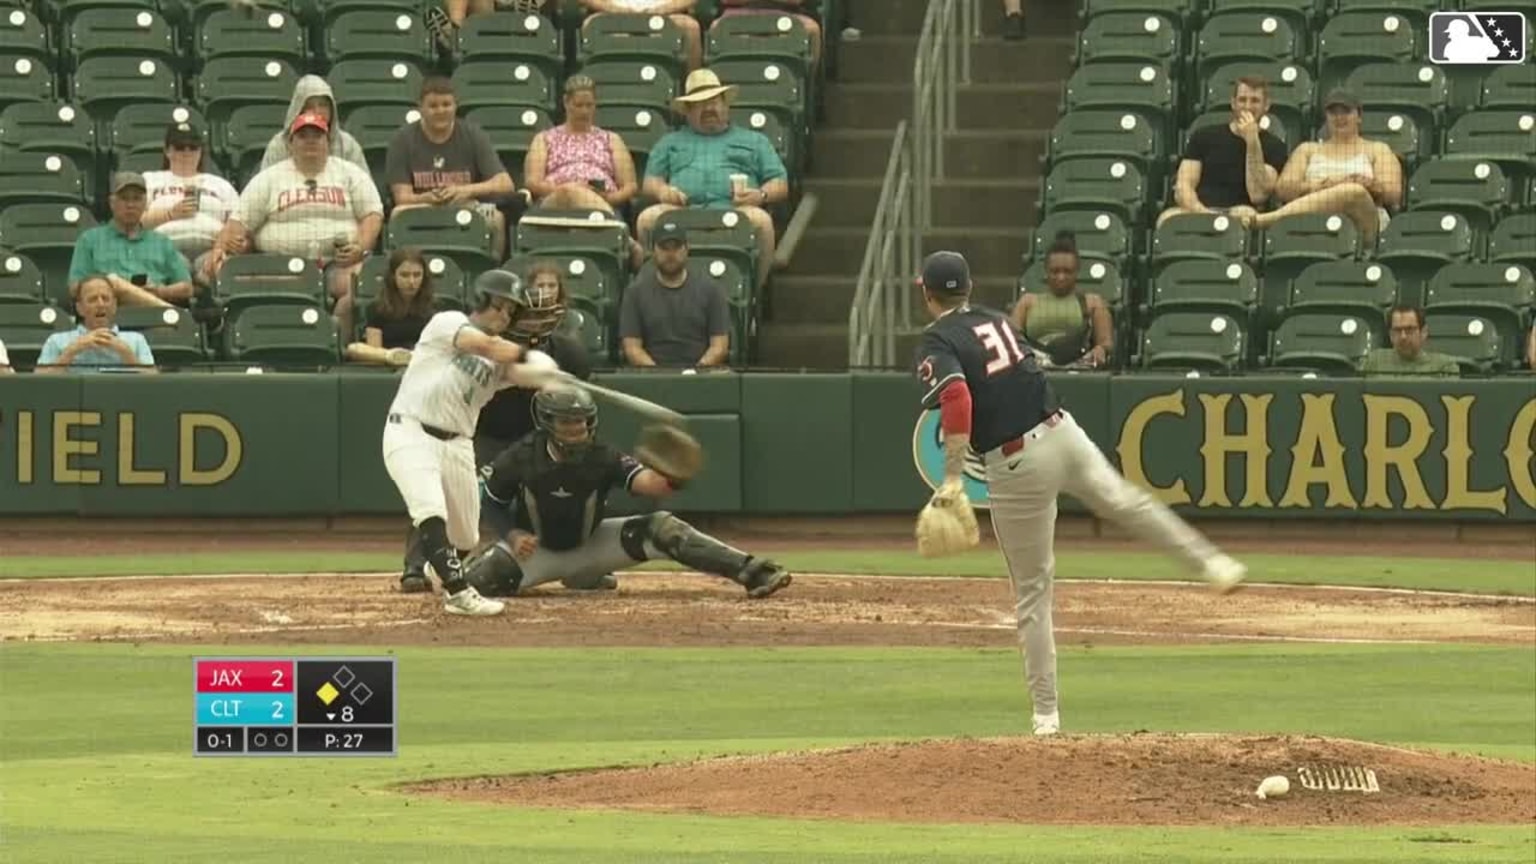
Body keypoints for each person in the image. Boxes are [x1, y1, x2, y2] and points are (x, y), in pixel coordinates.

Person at [911, 250, 1245, 736]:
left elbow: (957, 396)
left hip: (1017, 463)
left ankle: (1046, 719)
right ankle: (1211, 563)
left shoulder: (937, 337)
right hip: (1064, 432)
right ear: (968, 286)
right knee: (1129, 502)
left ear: (927, 293)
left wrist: (954, 477)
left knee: (1032, 594)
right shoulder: (995, 319)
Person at [463, 386, 792, 599]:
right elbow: (491, 502)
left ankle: (752, 571)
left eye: (582, 422)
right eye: (568, 423)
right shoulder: (521, 457)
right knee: (477, 581)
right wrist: (512, 533)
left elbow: (647, 483)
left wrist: (674, 477)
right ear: (547, 423)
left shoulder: (601, 455)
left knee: (663, 527)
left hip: (592, 544)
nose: (578, 430)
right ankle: (583, 576)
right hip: (537, 550)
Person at [397, 261, 592, 594]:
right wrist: (524, 356)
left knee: (561, 486)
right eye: (507, 309)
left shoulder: (562, 348)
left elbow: (570, 379)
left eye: (515, 311)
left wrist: (551, 376)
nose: (514, 317)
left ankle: (576, 566)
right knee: (436, 497)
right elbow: (492, 352)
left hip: (530, 438)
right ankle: (417, 566)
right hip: (482, 434)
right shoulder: (472, 334)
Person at [205, 111, 384, 341]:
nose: (310, 140)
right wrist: (221, 247)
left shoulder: (350, 174)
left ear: (328, 142)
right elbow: (239, 221)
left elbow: (372, 215)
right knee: (229, 272)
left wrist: (359, 247)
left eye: (317, 135)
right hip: (279, 267)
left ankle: (339, 345)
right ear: (290, 143)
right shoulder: (269, 178)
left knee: (365, 282)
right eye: (302, 135)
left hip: (336, 263)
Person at [639, 68, 789, 289]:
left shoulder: (754, 140)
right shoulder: (670, 142)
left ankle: (753, 293)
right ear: (688, 111)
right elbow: (650, 181)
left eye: (715, 101)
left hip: (736, 211)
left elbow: (780, 182)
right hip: (683, 211)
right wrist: (663, 192)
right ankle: (661, 288)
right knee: (646, 220)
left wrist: (760, 195)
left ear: (725, 105)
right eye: (700, 104)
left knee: (763, 223)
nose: (709, 108)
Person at [385, 77, 517, 259]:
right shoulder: (402, 139)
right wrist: (429, 197)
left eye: (446, 104)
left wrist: (465, 191)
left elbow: (505, 183)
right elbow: (402, 198)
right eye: (433, 106)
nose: (440, 111)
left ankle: (489, 272)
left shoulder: (473, 135)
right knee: (397, 215)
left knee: (496, 219)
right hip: (422, 207)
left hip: (465, 205)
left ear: (456, 106)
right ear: (420, 107)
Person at [1254, 90, 1403, 246]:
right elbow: (1283, 189)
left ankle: (1267, 220)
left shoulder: (1377, 149)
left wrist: (1369, 185)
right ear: (1326, 117)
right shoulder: (1307, 150)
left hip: (1363, 226)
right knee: (1349, 189)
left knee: (1354, 192)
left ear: (1359, 116)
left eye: (1346, 111)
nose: (1339, 118)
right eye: (1333, 112)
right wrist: (1324, 186)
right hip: (1313, 225)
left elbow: (1393, 193)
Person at [1158, 76, 1288, 227]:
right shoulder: (1204, 135)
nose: (1247, 106)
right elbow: (1183, 187)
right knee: (1167, 219)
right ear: (1233, 103)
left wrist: (1252, 141)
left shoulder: (1275, 146)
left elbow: (1257, 195)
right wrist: (1205, 214)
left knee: (1247, 214)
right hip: (1198, 209)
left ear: (1266, 105)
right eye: (1242, 100)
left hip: (1238, 212)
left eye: (1255, 101)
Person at [67, 172, 195, 309]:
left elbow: (187, 288)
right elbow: (74, 288)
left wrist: (160, 291)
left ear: (145, 203)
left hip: (154, 316)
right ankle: (175, 313)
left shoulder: (161, 242)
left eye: (137, 199)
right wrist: (106, 288)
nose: (130, 205)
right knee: (113, 281)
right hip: (107, 313)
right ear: (111, 203)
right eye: (124, 198)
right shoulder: (89, 240)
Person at [619, 220, 730, 368]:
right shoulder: (635, 293)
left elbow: (719, 346)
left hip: (700, 376)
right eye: (664, 248)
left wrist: (696, 372)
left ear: (687, 249)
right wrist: (658, 374)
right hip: (651, 377)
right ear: (653, 251)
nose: (670, 254)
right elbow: (632, 348)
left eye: (676, 247)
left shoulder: (712, 290)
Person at [523, 76, 639, 214]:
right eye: (578, 105)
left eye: (589, 105)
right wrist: (569, 190)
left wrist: (610, 198)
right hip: (557, 201)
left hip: (602, 202)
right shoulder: (544, 139)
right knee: (568, 193)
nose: (584, 111)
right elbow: (532, 182)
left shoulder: (611, 139)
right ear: (566, 102)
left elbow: (630, 186)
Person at [141, 122, 240, 279]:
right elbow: (133, 223)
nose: (187, 152)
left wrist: (221, 246)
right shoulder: (150, 180)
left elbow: (238, 222)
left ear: (200, 151)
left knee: (223, 268)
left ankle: (203, 285)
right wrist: (169, 214)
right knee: (171, 267)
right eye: (180, 147)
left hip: (212, 248)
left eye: (193, 147)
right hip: (164, 247)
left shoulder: (220, 184)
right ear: (167, 151)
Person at [1010, 232, 1113, 369]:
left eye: (1067, 271)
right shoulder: (1027, 302)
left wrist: (1100, 350)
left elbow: (1106, 342)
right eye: (1055, 271)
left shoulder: (1093, 303)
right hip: (1036, 366)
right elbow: (1011, 340)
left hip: (1078, 366)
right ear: (1046, 271)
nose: (1061, 277)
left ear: (1077, 271)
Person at [36, 274, 156, 373]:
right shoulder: (56, 341)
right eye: (92, 299)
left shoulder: (136, 340)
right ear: (80, 308)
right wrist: (71, 351)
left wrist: (126, 353)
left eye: (105, 298)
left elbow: (155, 384)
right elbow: (37, 383)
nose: (100, 304)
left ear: (114, 305)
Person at [345, 248, 436, 367]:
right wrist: (391, 356)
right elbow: (374, 350)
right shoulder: (376, 308)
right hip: (387, 365)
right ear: (393, 276)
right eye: (404, 275)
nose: (411, 281)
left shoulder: (435, 308)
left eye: (417, 275)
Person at [259, 75, 367, 173]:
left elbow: (365, 189)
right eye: (309, 106)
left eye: (323, 105)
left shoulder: (348, 146)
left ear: (331, 109)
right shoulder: (278, 146)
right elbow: (263, 188)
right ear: (298, 110)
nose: (317, 112)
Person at [579, 0, 702, 72]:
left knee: (691, 28)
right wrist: (613, 8)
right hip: (614, 14)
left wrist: (665, 9)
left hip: (665, 15)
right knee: (591, 26)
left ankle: (692, 91)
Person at [1359, 305, 1460, 378]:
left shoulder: (1444, 367)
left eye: (1410, 330)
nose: (1403, 336)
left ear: (1424, 332)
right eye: (1397, 330)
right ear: (1391, 335)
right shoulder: (1374, 361)